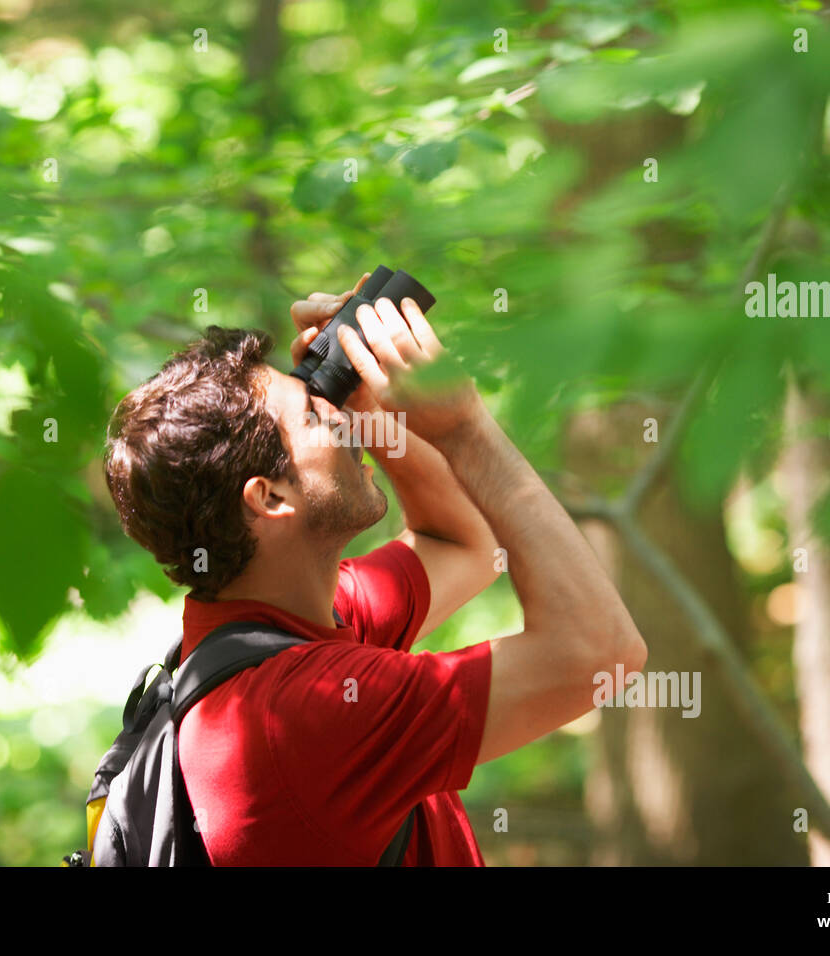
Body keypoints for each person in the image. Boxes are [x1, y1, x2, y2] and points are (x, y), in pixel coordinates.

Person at [102, 273, 647, 865]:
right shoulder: (306, 713)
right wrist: (464, 428)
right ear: (269, 499)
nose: (343, 423)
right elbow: (600, 653)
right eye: (316, 416)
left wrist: (370, 404)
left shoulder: (267, 626)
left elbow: (463, 541)